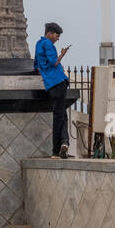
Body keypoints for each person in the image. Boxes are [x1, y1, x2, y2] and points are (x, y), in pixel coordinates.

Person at [35, 22, 71, 159]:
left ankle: (64, 143)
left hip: (49, 85)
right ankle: (57, 150)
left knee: (61, 115)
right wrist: (62, 54)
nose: (58, 39)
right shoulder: (48, 45)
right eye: (56, 35)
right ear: (49, 33)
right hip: (58, 83)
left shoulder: (38, 44)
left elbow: (37, 65)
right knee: (59, 117)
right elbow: (53, 62)